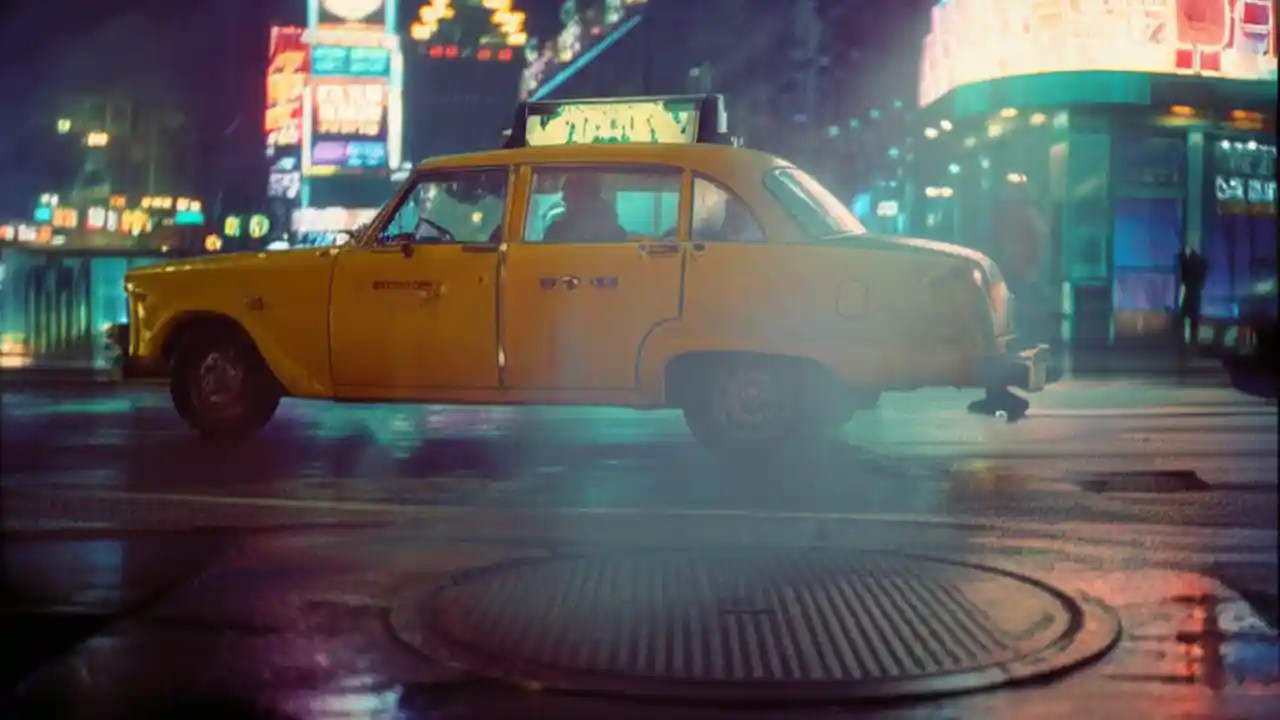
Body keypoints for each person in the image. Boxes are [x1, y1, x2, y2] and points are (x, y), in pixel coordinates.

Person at [543, 173, 628, 243]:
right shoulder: (555, 232)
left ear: (589, 198)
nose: (563, 199)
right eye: (565, 196)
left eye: (571, 196)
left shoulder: (614, 234)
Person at [1177, 247, 1207, 347]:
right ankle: (1193, 339)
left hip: (1191, 291)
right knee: (1193, 317)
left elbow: (1184, 277)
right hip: (1195, 292)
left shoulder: (1188, 264)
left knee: (1185, 315)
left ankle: (1184, 339)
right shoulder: (1200, 262)